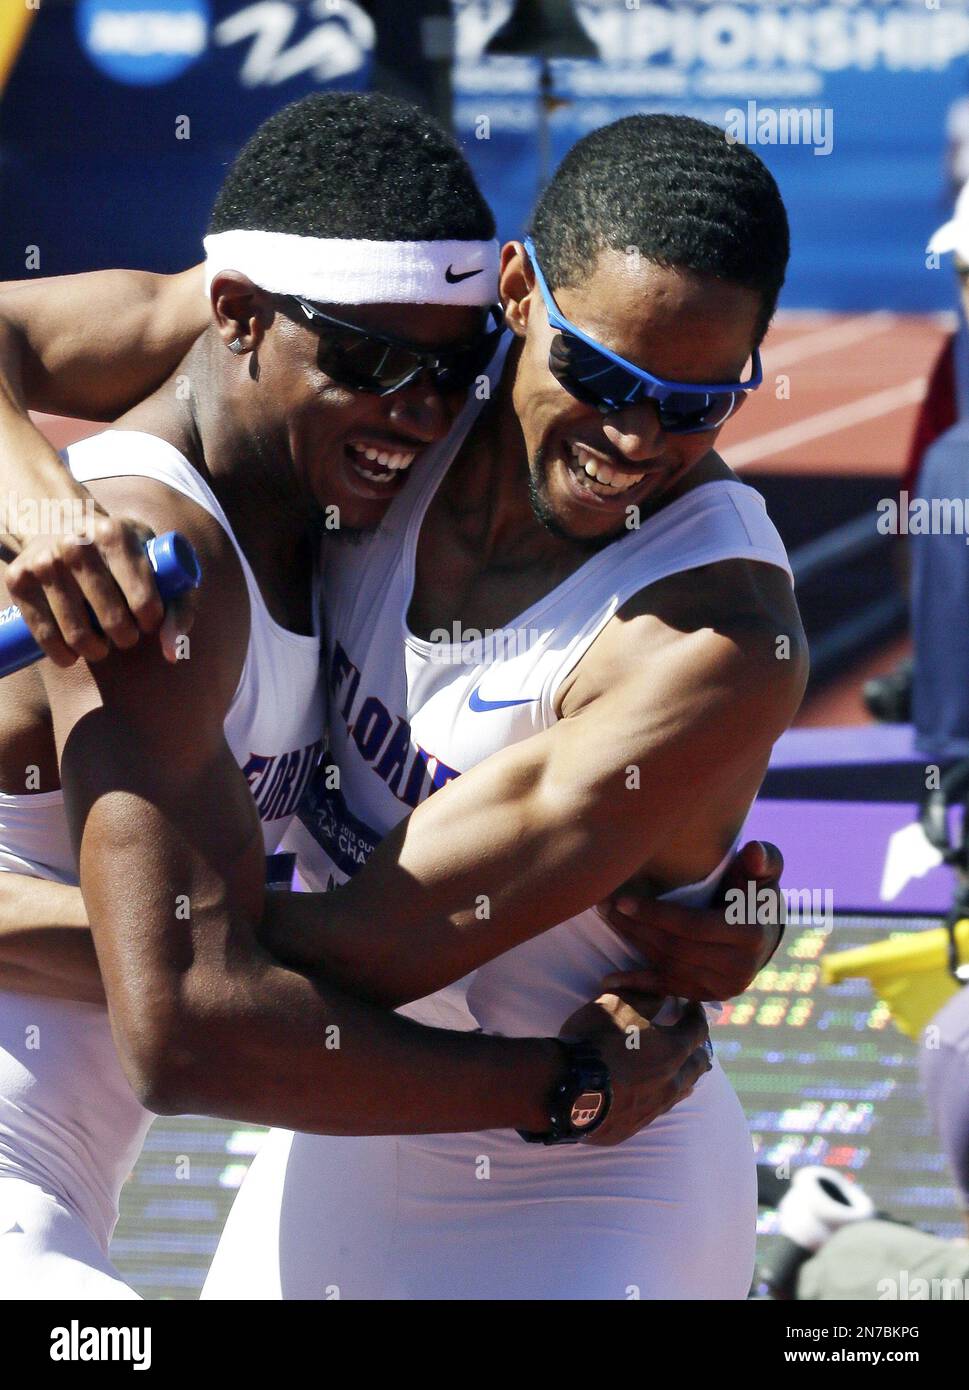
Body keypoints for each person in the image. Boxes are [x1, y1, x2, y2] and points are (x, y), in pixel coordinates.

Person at [0, 110, 804, 1299]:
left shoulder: (713, 641)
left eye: (696, 404)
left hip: (591, 1171)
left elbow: (331, 958)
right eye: (601, 375)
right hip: (364, 1114)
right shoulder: (392, 355)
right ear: (521, 297)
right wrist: (37, 501)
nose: (636, 438)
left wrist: (93, 938)